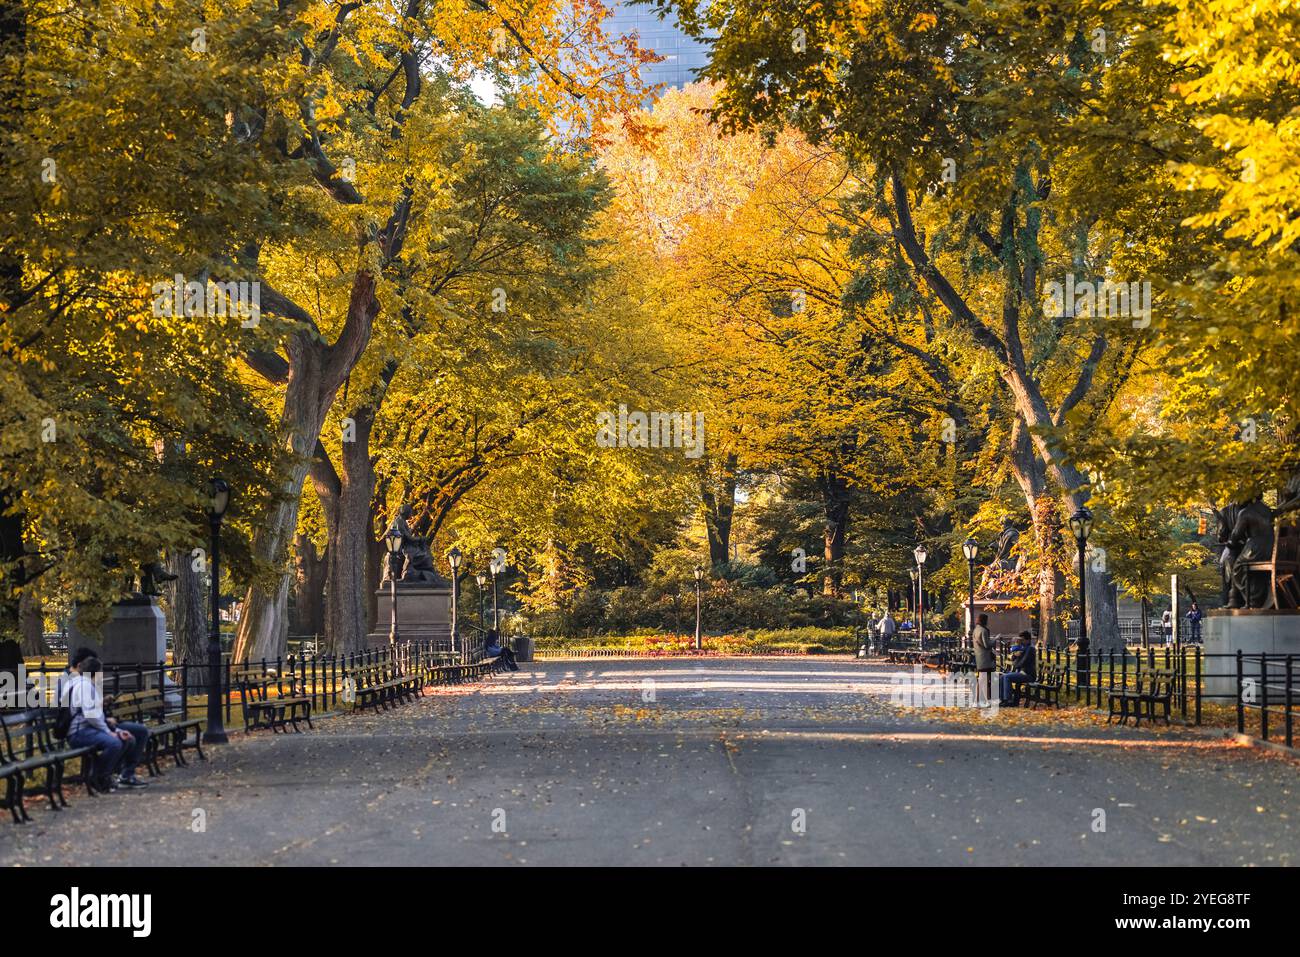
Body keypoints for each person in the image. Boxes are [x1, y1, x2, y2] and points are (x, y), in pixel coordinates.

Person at [61, 656, 149, 791]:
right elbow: (91, 715)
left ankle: (107, 776)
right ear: (96, 672)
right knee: (115, 743)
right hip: (80, 732)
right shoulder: (85, 686)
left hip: (86, 728)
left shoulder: (78, 683)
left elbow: (92, 712)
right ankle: (98, 777)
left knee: (127, 738)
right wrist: (111, 732)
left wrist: (117, 731)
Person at [999, 630, 1037, 706]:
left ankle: (1008, 700)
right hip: (1020, 672)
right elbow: (1014, 660)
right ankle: (1002, 699)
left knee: (1006, 677)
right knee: (1002, 677)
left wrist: (1017, 661)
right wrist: (1015, 656)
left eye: (1023, 640)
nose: (1021, 641)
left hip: (1028, 674)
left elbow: (1023, 662)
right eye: (1020, 640)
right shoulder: (1021, 648)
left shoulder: (1030, 649)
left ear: (1028, 640)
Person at [972, 613, 996, 705]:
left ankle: (977, 701)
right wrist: (994, 640)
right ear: (985, 620)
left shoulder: (975, 630)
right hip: (986, 658)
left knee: (981, 679)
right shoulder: (984, 630)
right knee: (984, 679)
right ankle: (987, 701)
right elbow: (987, 645)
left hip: (979, 657)